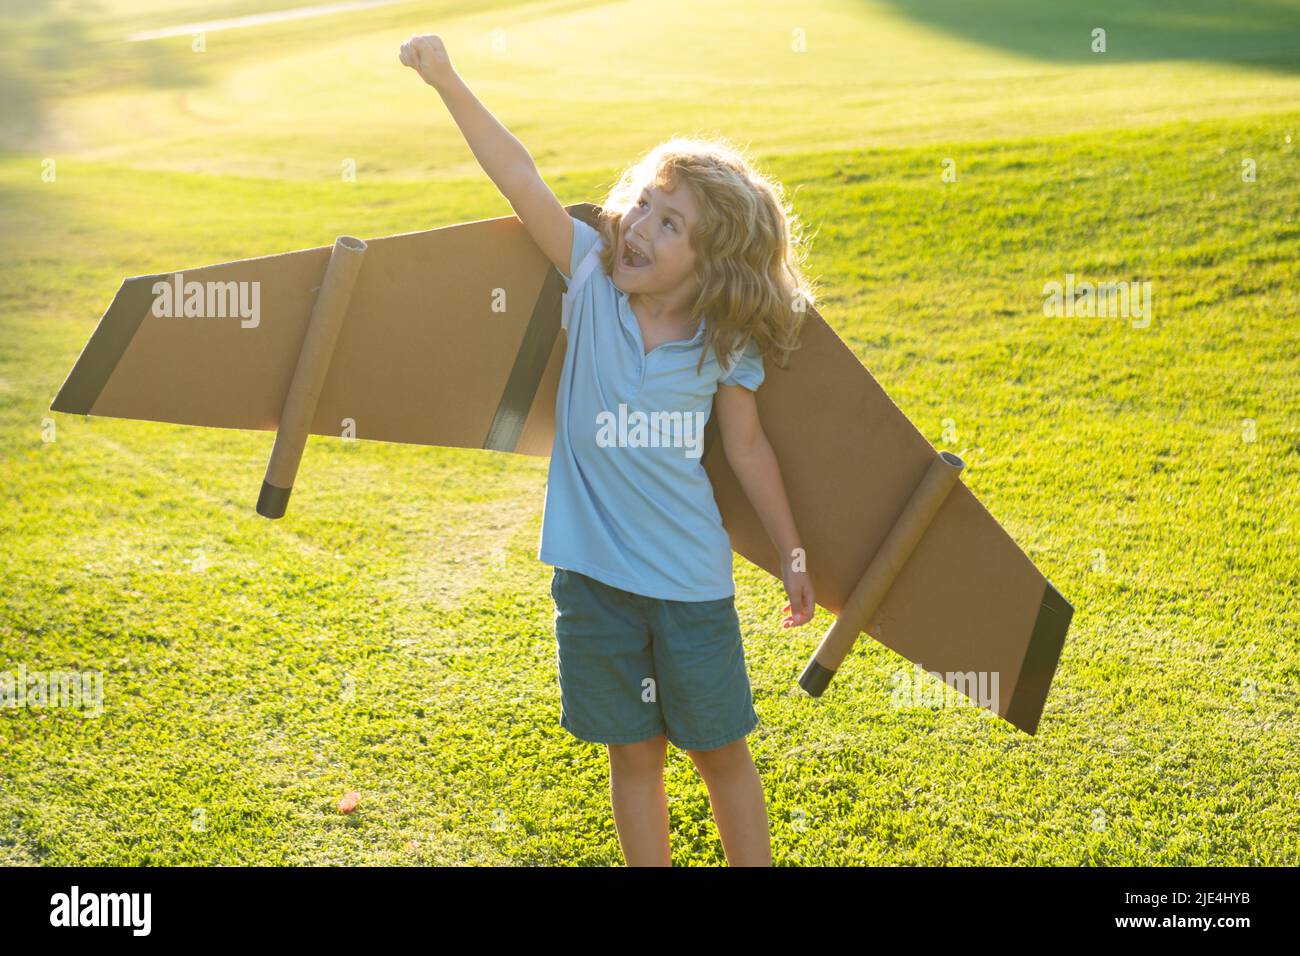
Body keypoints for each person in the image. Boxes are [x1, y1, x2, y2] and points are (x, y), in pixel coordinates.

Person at [401, 34, 817, 866]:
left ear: (711, 266)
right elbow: (518, 176)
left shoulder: (722, 341)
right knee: (633, 754)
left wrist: (792, 552)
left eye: (672, 226)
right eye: (643, 205)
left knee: (718, 752)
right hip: (593, 584)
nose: (638, 229)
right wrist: (445, 79)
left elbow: (749, 449)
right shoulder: (588, 276)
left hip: (690, 586)